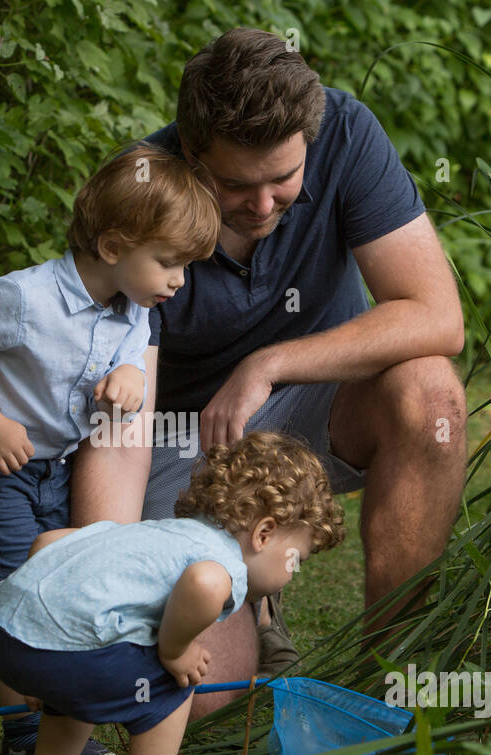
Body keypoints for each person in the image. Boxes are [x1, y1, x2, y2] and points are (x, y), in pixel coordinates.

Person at [69, 28, 467, 719]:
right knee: (199, 693)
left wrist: (269, 364)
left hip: (317, 408)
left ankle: (392, 680)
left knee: (430, 393)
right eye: (235, 185)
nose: (262, 207)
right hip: (183, 445)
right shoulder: (137, 196)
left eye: (284, 181)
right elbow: (120, 425)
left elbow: (437, 316)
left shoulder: (344, 132)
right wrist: (94, 568)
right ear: (192, 155)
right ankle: (248, 597)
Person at [0, 142, 222, 755]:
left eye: (186, 266)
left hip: (54, 464)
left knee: (59, 573)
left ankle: (57, 718)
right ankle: (26, 735)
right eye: (168, 262)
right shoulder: (24, 300)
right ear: (113, 248)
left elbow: (131, 354)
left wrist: (132, 379)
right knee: (13, 588)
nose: (178, 280)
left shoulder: (135, 309)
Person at [0, 431, 346, 755]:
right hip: (57, 652)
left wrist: (40, 644)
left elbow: (48, 543)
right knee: (178, 675)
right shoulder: (224, 563)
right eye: (296, 560)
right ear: (264, 534)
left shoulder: (163, 533)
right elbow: (204, 583)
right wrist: (177, 652)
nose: (293, 573)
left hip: (7, 635)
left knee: (89, 656)